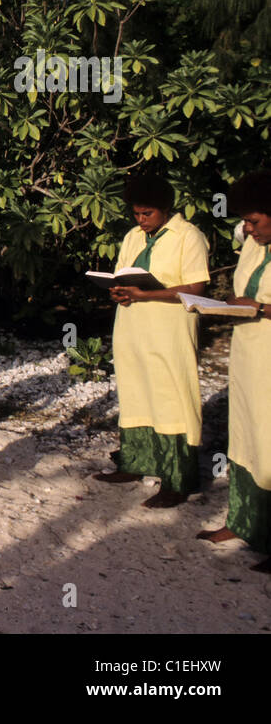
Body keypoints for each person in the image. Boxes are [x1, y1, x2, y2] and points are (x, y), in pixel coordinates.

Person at [94, 173, 209, 507]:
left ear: (165, 208)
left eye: (148, 214)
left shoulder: (189, 236)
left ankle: (177, 480)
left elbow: (197, 288)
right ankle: (135, 462)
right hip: (132, 326)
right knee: (136, 392)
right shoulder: (132, 236)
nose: (141, 220)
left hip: (168, 329)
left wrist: (147, 294)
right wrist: (119, 291)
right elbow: (123, 273)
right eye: (136, 214)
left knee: (171, 395)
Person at [198, 169, 271, 572]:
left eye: (255, 222)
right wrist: (228, 303)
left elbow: (258, 302)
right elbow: (243, 292)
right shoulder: (254, 246)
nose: (248, 229)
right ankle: (243, 521)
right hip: (248, 355)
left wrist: (257, 308)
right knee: (247, 433)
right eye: (245, 221)